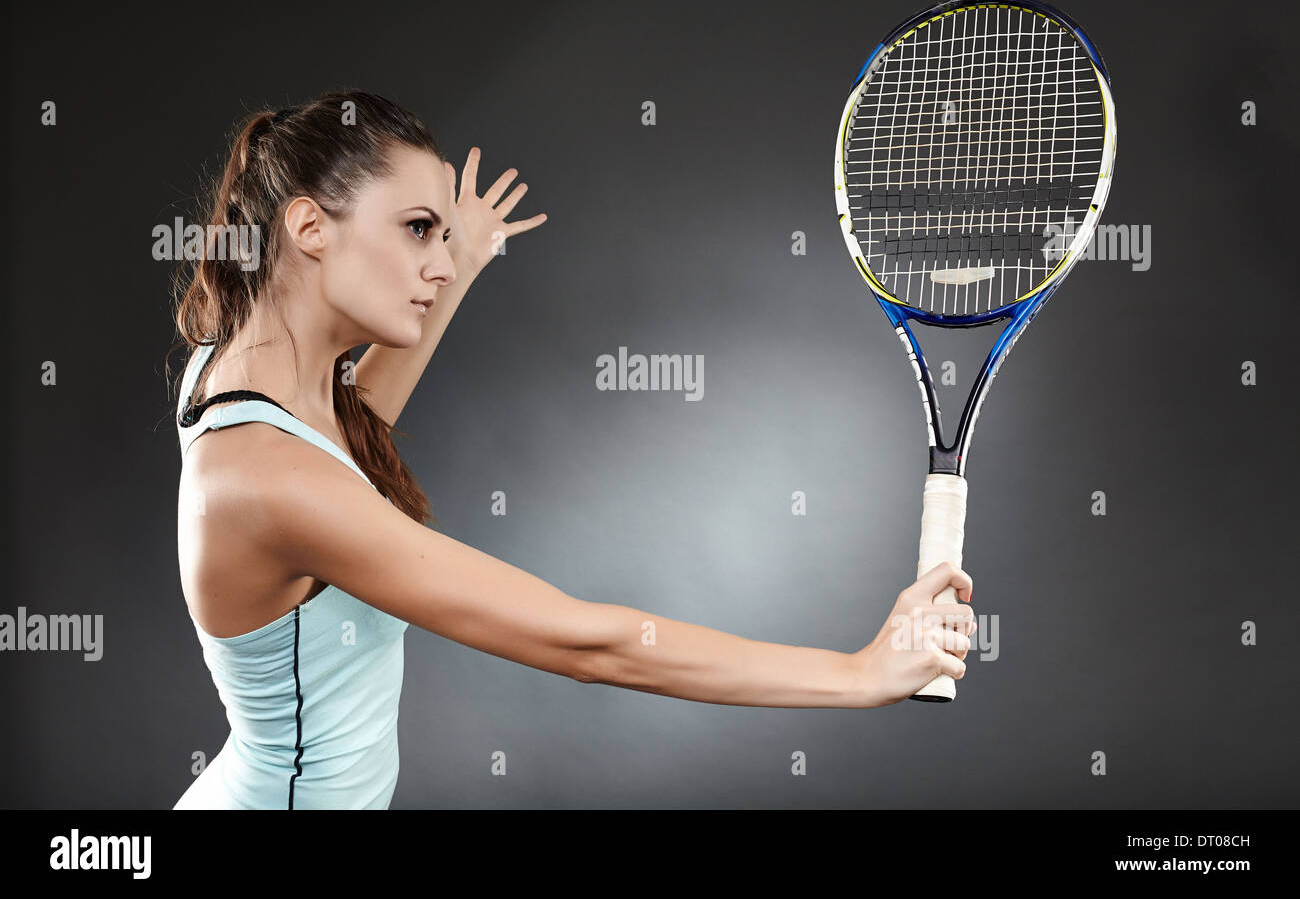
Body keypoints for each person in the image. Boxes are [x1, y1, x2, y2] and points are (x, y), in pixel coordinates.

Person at [169, 89, 974, 809]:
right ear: (309, 226)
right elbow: (587, 642)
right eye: (418, 230)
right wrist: (860, 673)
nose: (440, 264)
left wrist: (465, 258)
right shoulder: (268, 482)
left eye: (444, 237)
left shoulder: (239, 374)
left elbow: (347, 431)